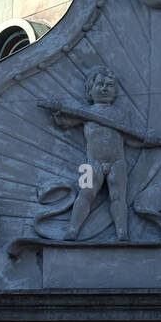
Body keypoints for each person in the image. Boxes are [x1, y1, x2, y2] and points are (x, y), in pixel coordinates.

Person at [46, 67, 133, 241]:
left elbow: (131, 139)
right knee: (85, 195)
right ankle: (73, 230)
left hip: (117, 162)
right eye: (99, 84)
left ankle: (122, 233)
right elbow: (64, 122)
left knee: (118, 197)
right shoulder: (86, 112)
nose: (104, 88)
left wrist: (147, 139)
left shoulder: (120, 115)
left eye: (109, 85)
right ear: (90, 91)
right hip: (91, 164)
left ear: (115, 91)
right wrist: (56, 111)